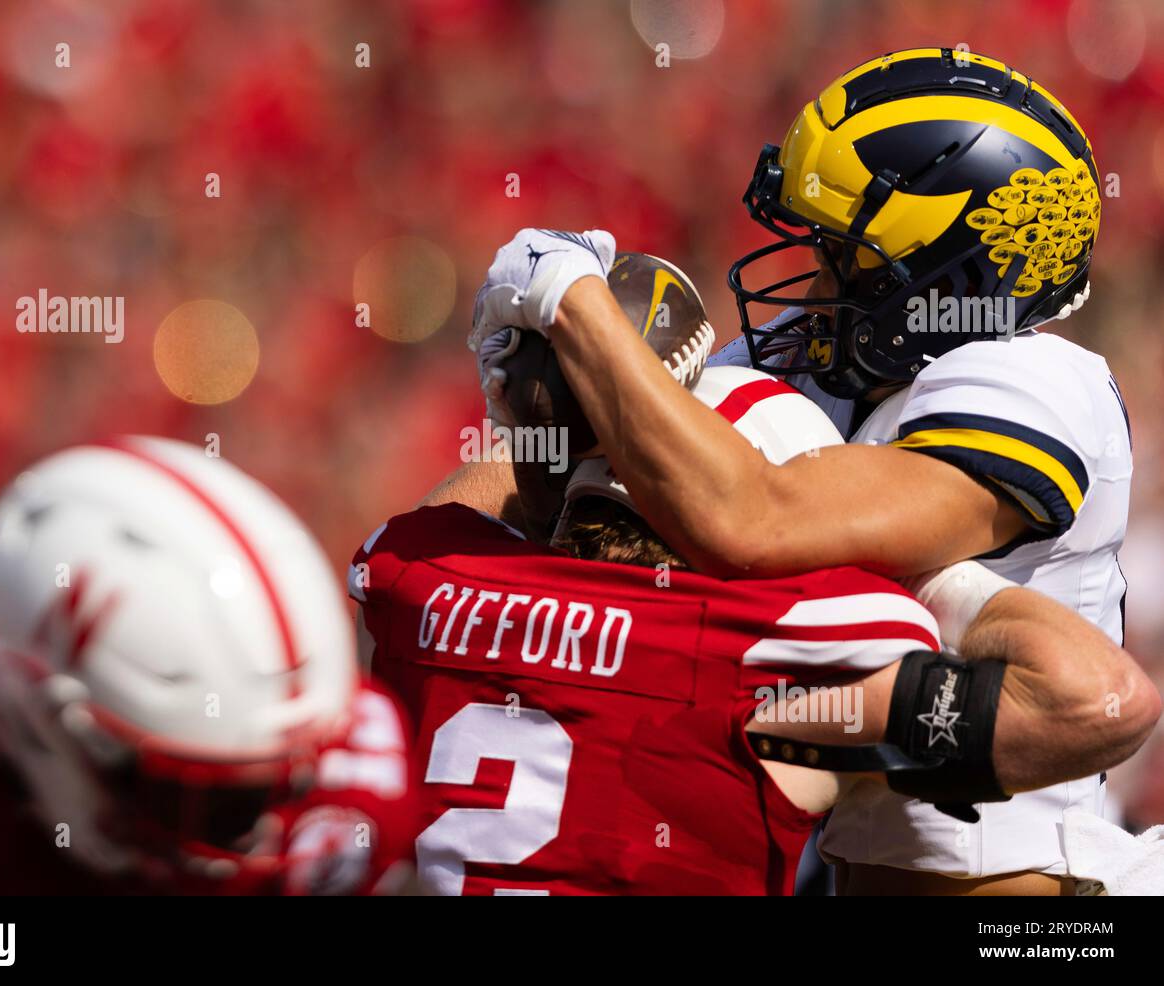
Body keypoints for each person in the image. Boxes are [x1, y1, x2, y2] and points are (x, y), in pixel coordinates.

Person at [467, 48, 1142, 895]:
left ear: (953, 275)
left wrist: (576, 309)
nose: (813, 282)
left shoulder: (1036, 384)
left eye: (843, 259)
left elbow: (756, 520)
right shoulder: (829, 356)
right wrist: (540, 417)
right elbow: (509, 512)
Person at [359, 255, 1157, 894]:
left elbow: (478, 510)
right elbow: (1103, 702)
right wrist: (919, 572)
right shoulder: (783, 656)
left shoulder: (424, 581)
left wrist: (570, 409)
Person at [0, 437, 417, 895]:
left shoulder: (347, 772)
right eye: (212, 801)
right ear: (33, 716)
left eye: (285, 781)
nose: (261, 832)